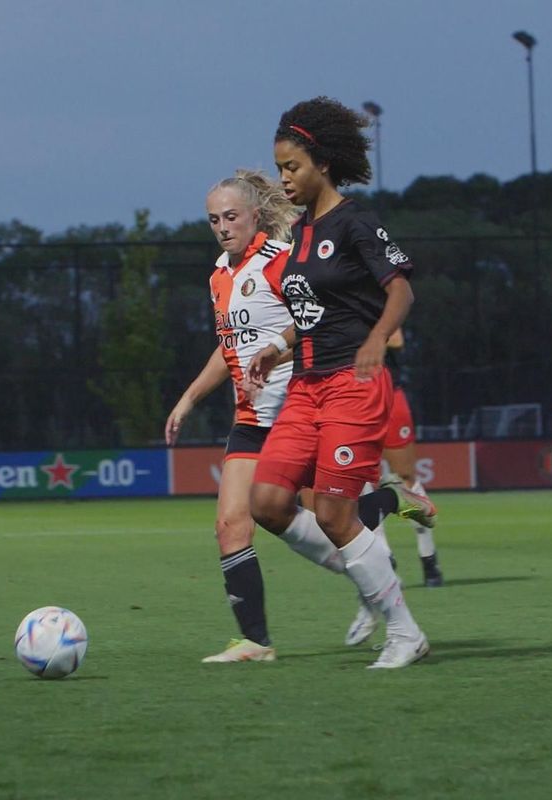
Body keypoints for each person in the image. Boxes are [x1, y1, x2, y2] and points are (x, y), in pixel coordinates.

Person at [165, 169, 429, 663]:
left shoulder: (282, 262)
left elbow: (319, 324)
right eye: (213, 220)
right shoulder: (219, 274)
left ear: (255, 216)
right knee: (232, 522)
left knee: (331, 516)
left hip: (301, 406)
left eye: (231, 216)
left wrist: (277, 354)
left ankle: (384, 531)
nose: (222, 227)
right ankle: (256, 641)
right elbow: (229, 351)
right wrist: (188, 400)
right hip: (251, 416)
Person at [247, 97, 433, 669]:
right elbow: (309, 315)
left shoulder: (357, 221)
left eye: (292, 167)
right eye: (279, 168)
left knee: (332, 513)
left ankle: (404, 632)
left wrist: (377, 339)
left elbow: (400, 288)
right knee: (268, 503)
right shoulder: (300, 236)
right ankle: (368, 569)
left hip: (354, 381)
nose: (283, 179)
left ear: (322, 163)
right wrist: (277, 348)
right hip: (306, 384)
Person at [382, 328, 444, 587]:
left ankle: (428, 558)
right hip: (349, 400)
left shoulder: (380, 301)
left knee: (405, 479)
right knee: (361, 485)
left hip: (389, 397)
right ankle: (384, 561)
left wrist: (355, 333)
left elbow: (396, 340)